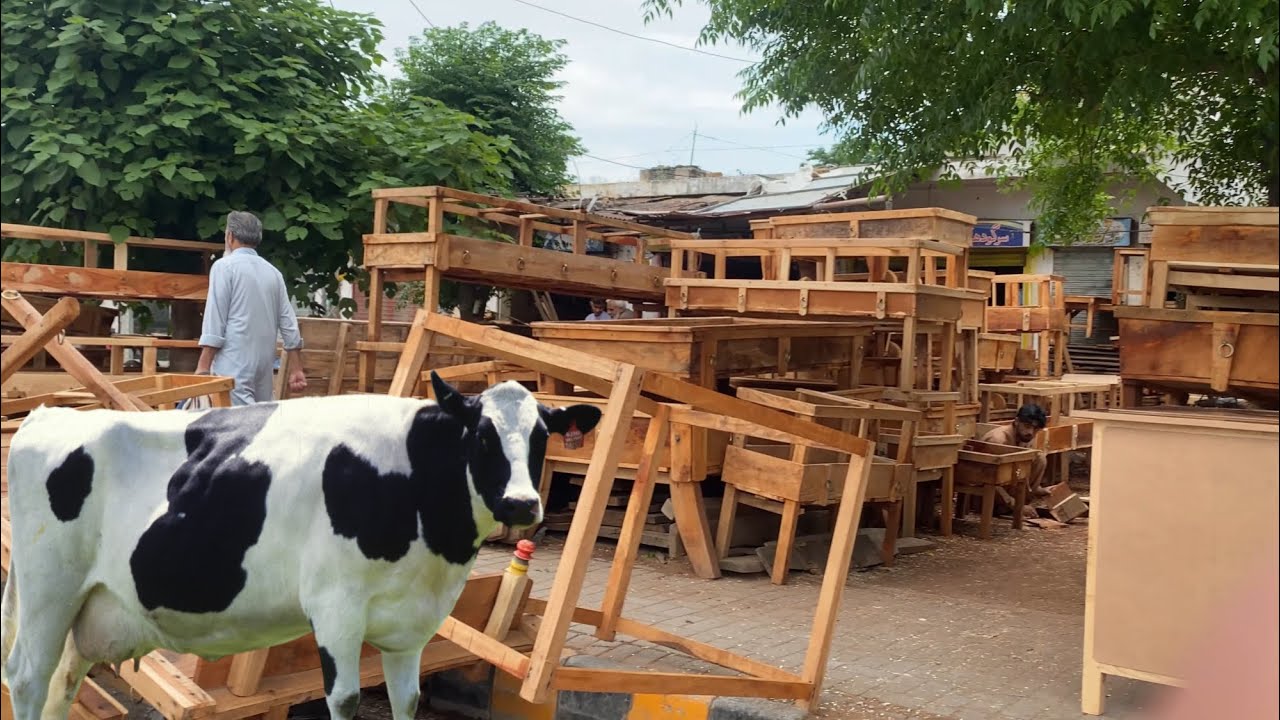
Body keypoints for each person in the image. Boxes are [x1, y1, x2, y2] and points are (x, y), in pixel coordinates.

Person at [196, 211, 307, 405]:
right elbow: (289, 323)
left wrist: (203, 366)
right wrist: (297, 368)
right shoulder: (273, 272)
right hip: (264, 363)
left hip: (233, 360)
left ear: (229, 236)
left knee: (238, 423)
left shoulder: (224, 267)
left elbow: (215, 319)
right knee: (262, 419)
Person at [980, 403, 1050, 497]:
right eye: (1027, 426)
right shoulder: (998, 441)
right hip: (986, 488)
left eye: (1036, 429)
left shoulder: (1025, 437)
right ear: (1016, 421)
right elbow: (987, 478)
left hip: (1008, 484)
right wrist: (1014, 504)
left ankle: (1026, 497)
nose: (1030, 432)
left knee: (1039, 458)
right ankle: (1017, 506)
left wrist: (1036, 488)